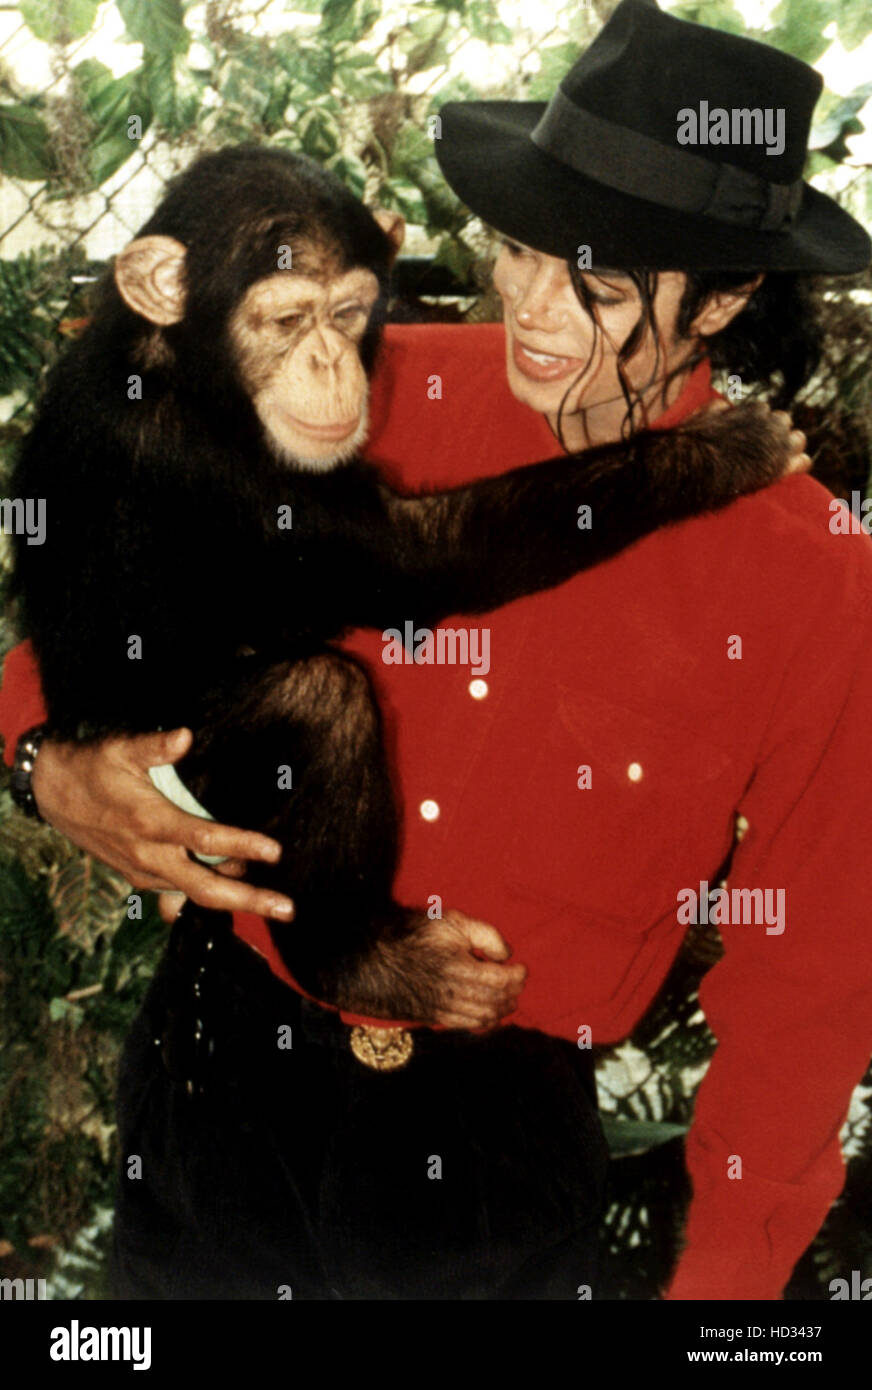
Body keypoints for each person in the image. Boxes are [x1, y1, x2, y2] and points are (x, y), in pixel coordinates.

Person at [4, 0, 872, 1299]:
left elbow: (811, 970)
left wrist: (725, 1288)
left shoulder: (815, 579)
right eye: (518, 248)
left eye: (595, 279)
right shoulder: (364, 387)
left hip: (487, 1161)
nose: (527, 303)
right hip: (221, 1066)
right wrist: (44, 754)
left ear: (731, 297)